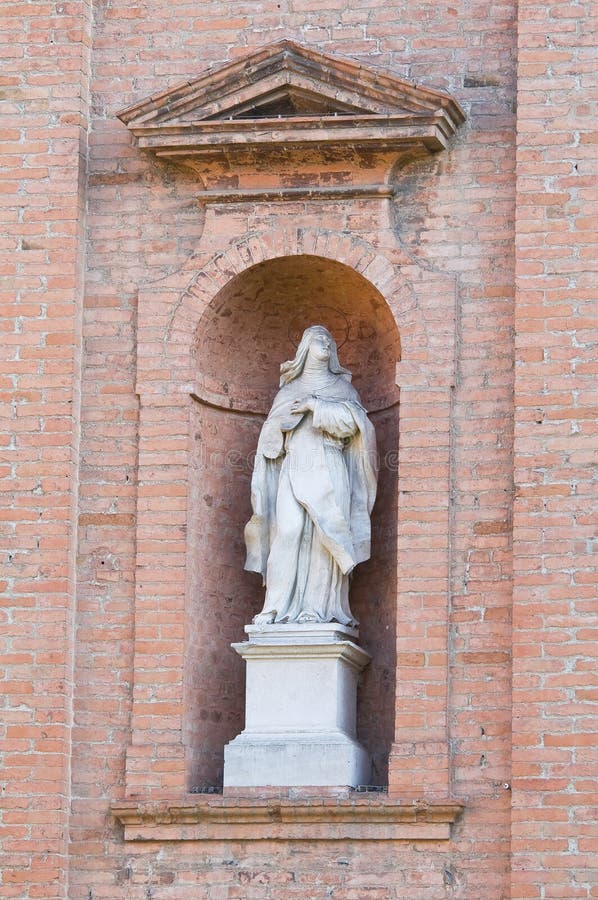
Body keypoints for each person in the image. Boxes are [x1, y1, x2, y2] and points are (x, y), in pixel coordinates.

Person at [244, 325, 378, 626]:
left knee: (323, 536)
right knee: (287, 531)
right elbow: (269, 441)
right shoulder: (288, 391)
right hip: (294, 467)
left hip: (330, 465)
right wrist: (282, 423)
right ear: (304, 347)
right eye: (318, 339)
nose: (326, 344)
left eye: (330, 340)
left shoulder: (344, 390)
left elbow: (355, 426)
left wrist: (314, 406)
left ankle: (318, 610)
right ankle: (278, 608)